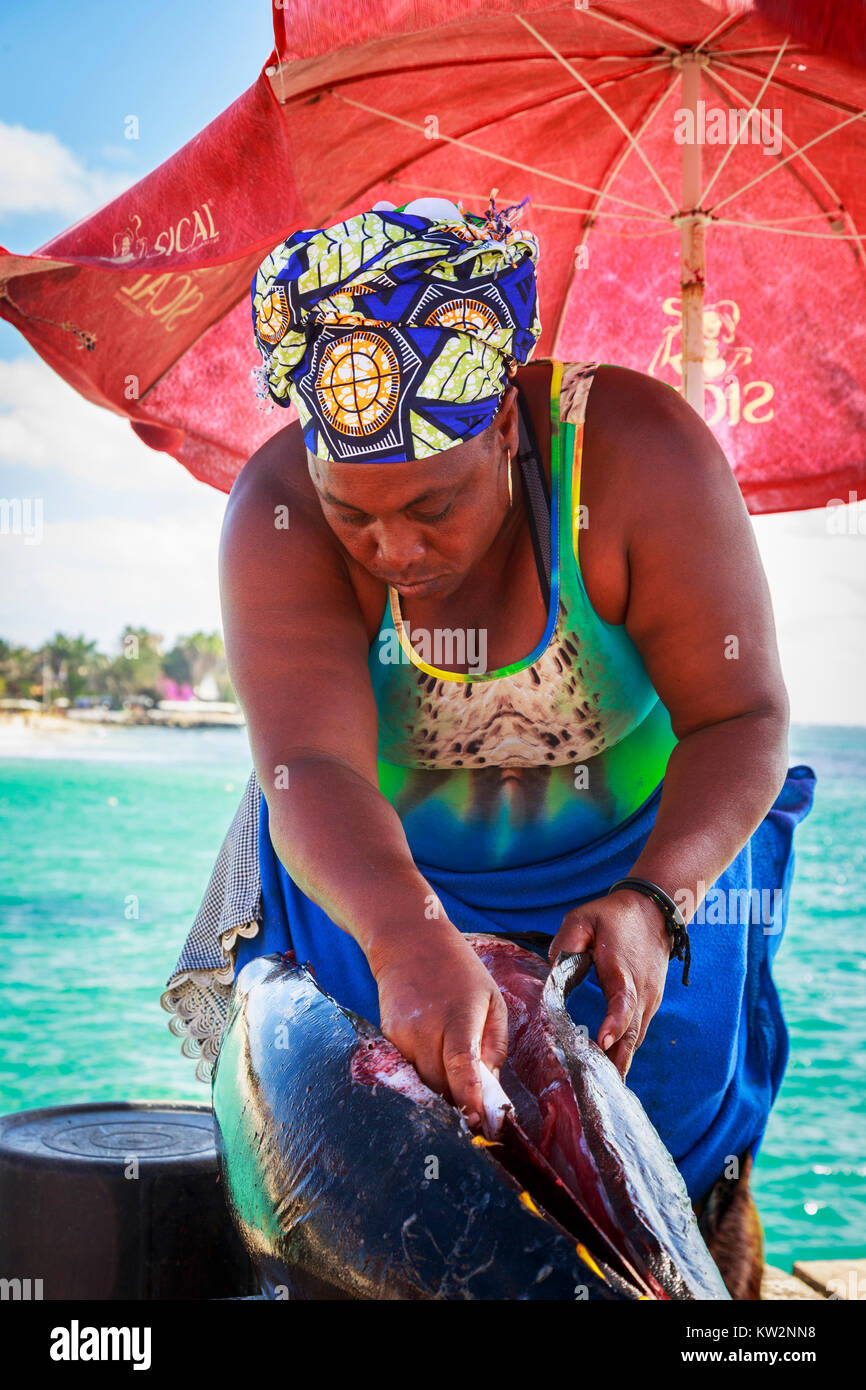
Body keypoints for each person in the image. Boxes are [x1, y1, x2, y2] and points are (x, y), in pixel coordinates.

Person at [162, 194, 814, 1295]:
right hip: (378, 868)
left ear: (507, 422)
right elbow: (308, 769)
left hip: (638, 856)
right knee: (388, 1200)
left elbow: (737, 719)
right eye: (352, 515)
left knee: (653, 1172)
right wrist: (401, 930)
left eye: (432, 504)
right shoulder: (274, 510)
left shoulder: (636, 459)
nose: (392, 549)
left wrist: (655, 900)